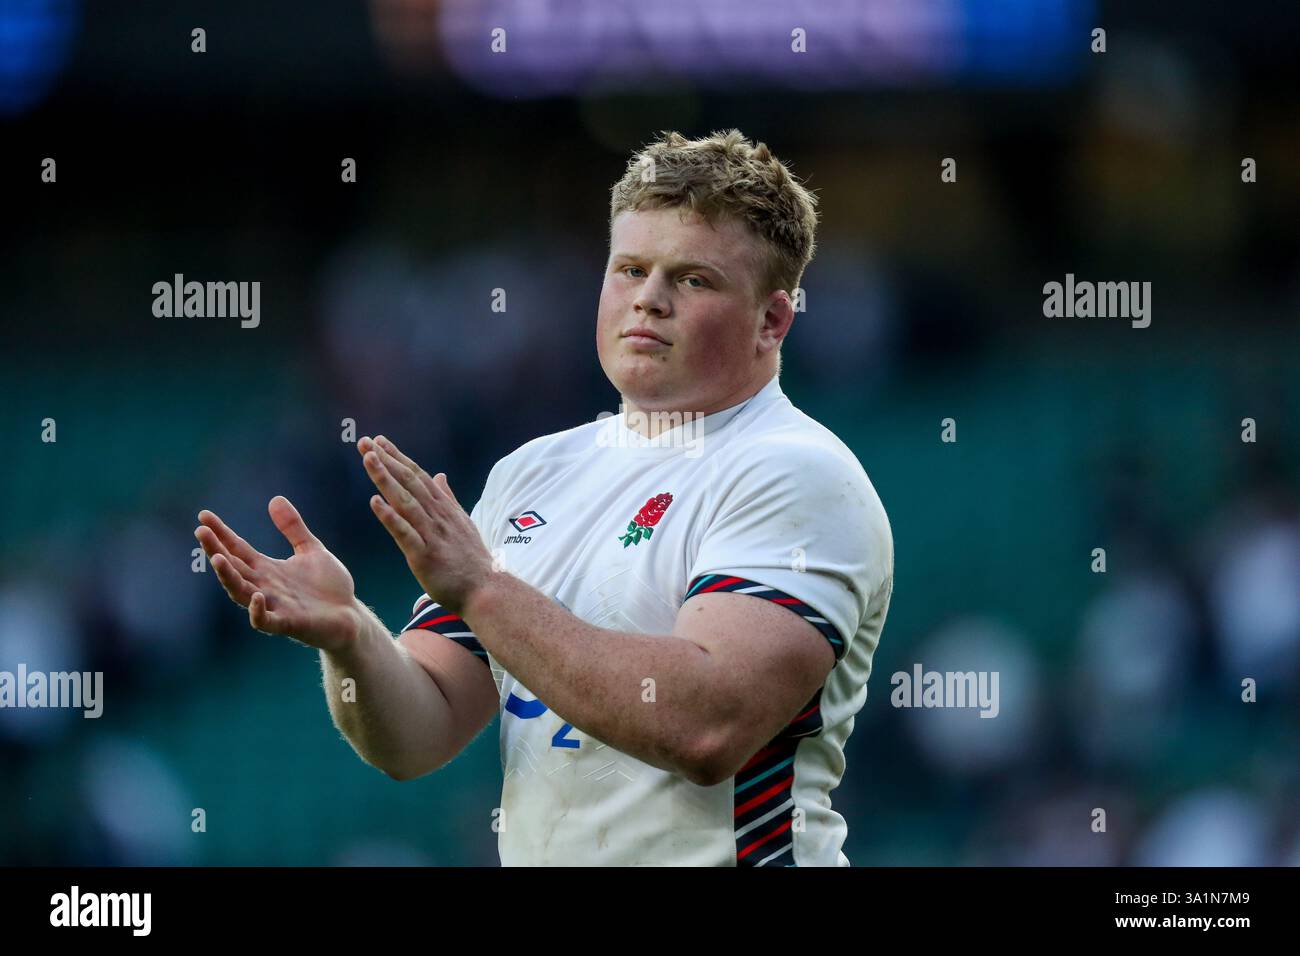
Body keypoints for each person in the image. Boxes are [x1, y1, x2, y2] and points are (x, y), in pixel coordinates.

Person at [194, 129, 894, 866]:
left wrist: (487, 592)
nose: (647, 301)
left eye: (692, 280)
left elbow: (704, 729)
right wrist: (352, 640)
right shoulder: (532, 473)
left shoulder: (797, 474)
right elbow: (419, 733)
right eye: (629, 269)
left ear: (772, 320)